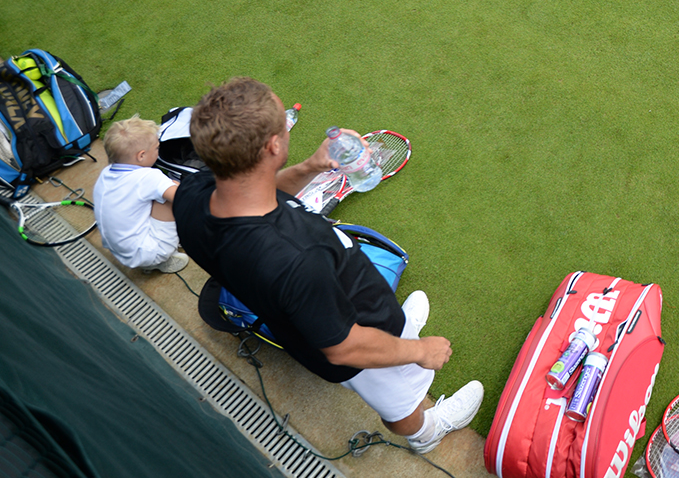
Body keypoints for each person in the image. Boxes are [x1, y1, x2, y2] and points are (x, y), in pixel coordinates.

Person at [172, 77, 482, 453]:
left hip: (315, 313)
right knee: (396, 395)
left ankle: (400, 332)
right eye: (283, 125)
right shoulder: (296, 258)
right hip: (356, 336)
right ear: (273, 145)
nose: (287, 128)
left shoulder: (193, 193)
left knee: (390, 343)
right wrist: (421, 353)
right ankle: (425, 431)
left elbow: (256, 190)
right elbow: (345, 348)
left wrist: (309, 167)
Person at [92, 115, 186, 273]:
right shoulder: (149, 177)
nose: (158, 150)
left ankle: (150, 260)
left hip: (122, 253)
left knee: (158, 192)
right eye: (156, 148)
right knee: (173, 190)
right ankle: (164, 256)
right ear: (141, 155)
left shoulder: (106, 173)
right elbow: (183, 197)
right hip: (151, 251)